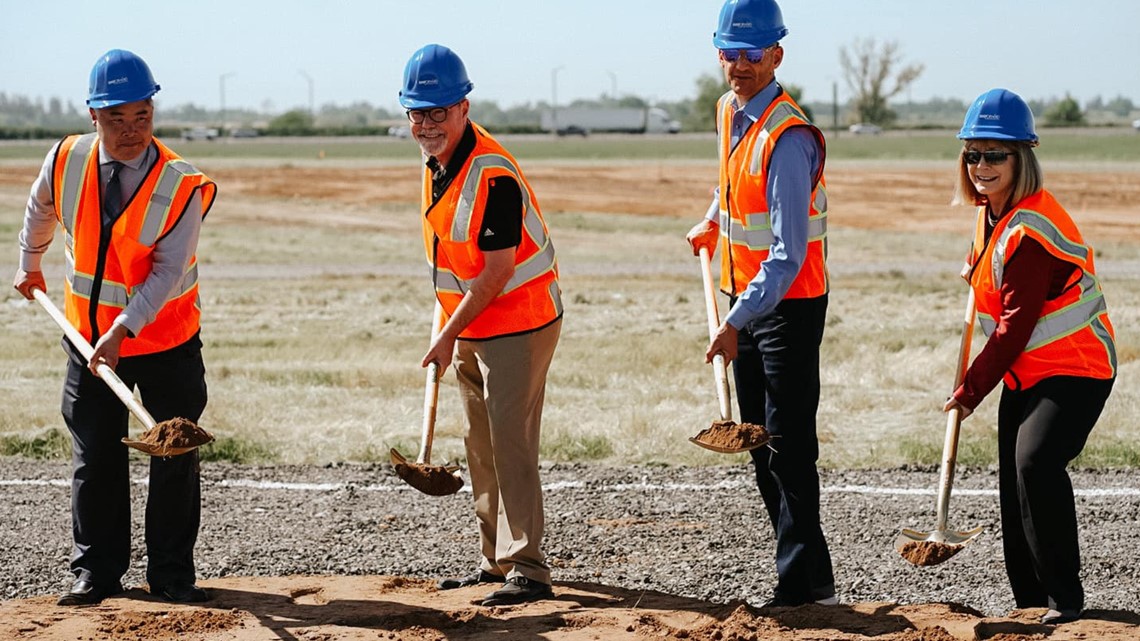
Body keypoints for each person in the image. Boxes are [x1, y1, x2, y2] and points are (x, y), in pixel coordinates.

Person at [13, 49, 216, 606]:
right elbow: (40, 206)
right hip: (85, 339)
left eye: (141, 117)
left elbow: (168, 271)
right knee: (95, 456)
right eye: (116, 118)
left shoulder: (182, 184)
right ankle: (96, 574)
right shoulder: (66, 158)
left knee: (173, 454)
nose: (131, 131)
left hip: (166, 341)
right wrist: (30, 262)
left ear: (153, 110)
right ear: (92, 115)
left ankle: (172, 575)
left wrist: (124, 328)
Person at [396, 43, 563, 607]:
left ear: (464, 107)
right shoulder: (436, 161)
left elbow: (495, 274)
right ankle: (495, 562)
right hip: (471, 323)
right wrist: (451, 326)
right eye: (417, 113)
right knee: (480, 443)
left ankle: (528, 569)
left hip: (519, 320)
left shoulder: (492, 174)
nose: (426, 124)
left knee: (510, 441)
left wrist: (445, 334)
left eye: (438, 112)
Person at [945, 88, 1116, 626]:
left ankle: (1065, 600)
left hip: (1076, 367)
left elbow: (1017, 325)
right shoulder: (991, 213)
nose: (981, 165)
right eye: (973, 153)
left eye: (996, 154)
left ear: (1023, 157)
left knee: (1035, 463)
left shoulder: (1031, 227)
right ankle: (1030, 603)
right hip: (1028, 374)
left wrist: (970, 391)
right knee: (1013, 479)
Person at [685, 0, 836, 608]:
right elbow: (733, 186)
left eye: (752, 54)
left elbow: (788, 252)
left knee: (788, 445)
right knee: (760, 444)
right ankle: (809, 577)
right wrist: (712, 218)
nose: (740, 65)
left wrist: (734, 321)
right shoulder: (729, 111)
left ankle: (802, 585)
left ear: (777, 53)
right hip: (744, 299)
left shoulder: (788, 136)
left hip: (788, 306)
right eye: (730, 53)